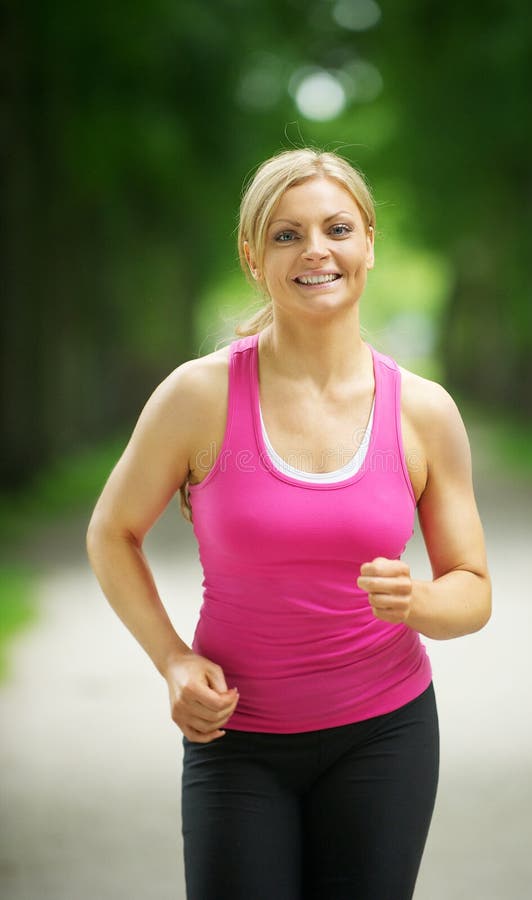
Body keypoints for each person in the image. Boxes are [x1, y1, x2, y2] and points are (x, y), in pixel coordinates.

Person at [86, 147, 491, 900]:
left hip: (385, 733)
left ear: (367, 242)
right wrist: (173, 660)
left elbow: (472, 588)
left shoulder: (422, 411)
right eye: (286, 234)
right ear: (252, 256)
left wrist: (418, 602)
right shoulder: (197, 397)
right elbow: (110, 533)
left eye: (337, 228)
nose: (315, 251)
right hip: (236, 742)